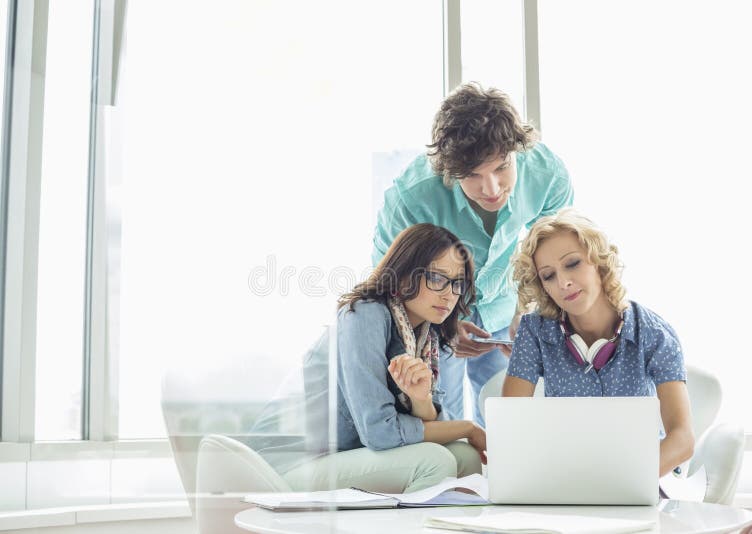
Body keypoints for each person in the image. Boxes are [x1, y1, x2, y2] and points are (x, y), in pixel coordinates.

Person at [372, 82, 573, 425]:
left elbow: (557, 253)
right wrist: (443, 326)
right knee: (442, 417)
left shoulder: (547, 174)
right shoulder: (411, 197)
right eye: (472, 175)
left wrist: (529, 309)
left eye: (501, 167)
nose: (491, 188)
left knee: (506, 416)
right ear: (449, 170)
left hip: (503, 306)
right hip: (433, 313)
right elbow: (387, 281)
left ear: (516, 150)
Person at [275, 224, 486, 493]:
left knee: (465, 456)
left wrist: (421, 399)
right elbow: (380, 432)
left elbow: (429, 422)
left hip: (356, 457)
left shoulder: (425, 337)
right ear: (403, 273)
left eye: (458, 283)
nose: (449, 294)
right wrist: (468, 428)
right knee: (435, 460)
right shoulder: (364, 314)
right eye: (436, 278)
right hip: (306, 464)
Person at [503, 208, 695, 477]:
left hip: (642, 472)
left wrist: (623, 480)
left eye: (572, 263)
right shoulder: (534, 332)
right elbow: (510, 428)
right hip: (565, 475)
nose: (563, 282)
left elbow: (683, 439)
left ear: (599, 261)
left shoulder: (654, 334)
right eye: (548, 275)